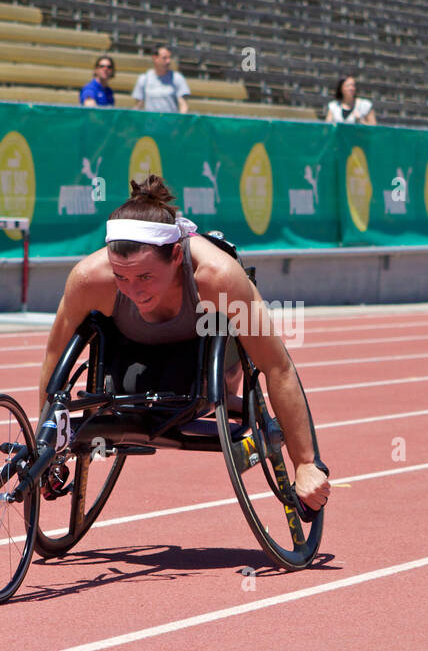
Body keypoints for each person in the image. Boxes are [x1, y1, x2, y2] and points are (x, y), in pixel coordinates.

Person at [37, 174, 330, 513]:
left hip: (201, 358)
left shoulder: (217, 277)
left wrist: (305, 463)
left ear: (176, 255)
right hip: (132, 354)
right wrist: (44, 445)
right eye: (122, 277)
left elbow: (276, 365)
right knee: (127, 389)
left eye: (145, 276)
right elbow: (55, 357)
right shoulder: (90, 279)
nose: (134, 290)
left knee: (195, 390)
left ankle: (234, 402)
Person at [132, 45, 190, 113]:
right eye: (164, 58)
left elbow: (183, 105)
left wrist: (179, 121)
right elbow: (139, 104)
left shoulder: (177, 78)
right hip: (150, 122)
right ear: (155, 58)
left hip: (169, 122)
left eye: (169, 58)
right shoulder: (144, 79)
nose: (168, 61)